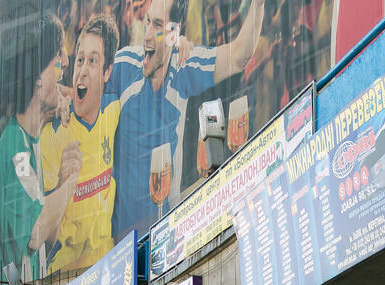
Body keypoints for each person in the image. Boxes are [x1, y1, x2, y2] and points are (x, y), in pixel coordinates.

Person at [103, 0, 266, 239]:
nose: (147, 35)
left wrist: (259, 3)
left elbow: (239, 56)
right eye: (148, 22)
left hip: (165, 235)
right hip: (120, 246)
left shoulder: (182, 67)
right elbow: (83, 92)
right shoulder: (125, 65)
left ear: (173, 33)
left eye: (157, 25)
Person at [0, 13, 82, 285]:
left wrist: (63, 181)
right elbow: (36, 230)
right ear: (37, 79)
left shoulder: (30, 141)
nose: (65, 63)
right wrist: (71, 183)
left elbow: (45, 238)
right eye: (57, 60)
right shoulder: (16, 147)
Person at [38, 13, 122, 273]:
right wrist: (63, 183)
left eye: (93, 61)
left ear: (107, 71)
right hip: (65, 282)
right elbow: (43, 236)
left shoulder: (114, 110)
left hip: (110, 272)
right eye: (80, 60)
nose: (83, 70)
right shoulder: (52, 135)